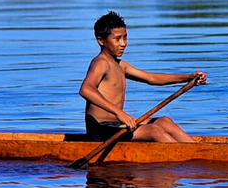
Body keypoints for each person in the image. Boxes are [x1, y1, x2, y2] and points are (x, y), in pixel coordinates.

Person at [79, 11, 207, 142]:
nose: (123, 43)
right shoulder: (100, 62)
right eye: (117, 39)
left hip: (117, 124)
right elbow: (86, 89)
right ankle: (186, 154)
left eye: (125, 37)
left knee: (165, 121)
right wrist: (119, 113)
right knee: (154, 131)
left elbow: (151, 78)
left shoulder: (120, 65)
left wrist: (188, 77)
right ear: (101, 41)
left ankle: (197, 150)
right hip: (101, 129)